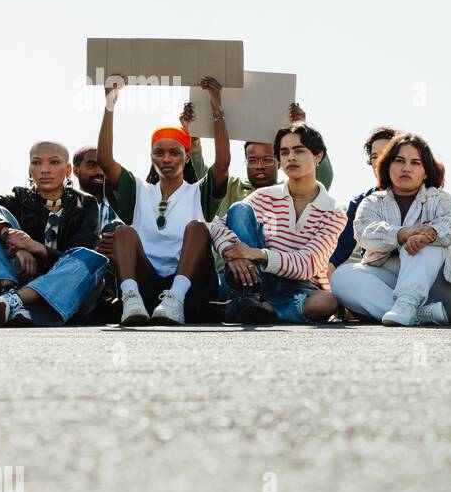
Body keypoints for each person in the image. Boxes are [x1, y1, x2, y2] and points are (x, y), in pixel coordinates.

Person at [98, 76, 230, 326]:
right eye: (159, 152)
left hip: (190, 290)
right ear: (151, 157)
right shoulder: (138, 190)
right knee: (123, 231)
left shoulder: (198, 192)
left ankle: (174, 300)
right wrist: (110, 103)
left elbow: (222, 164)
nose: (167, 159)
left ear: (187, 157)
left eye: (174, 152)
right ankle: (130, 299)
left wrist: (216, 110)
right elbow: (105, 160)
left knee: (198, 228)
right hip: (146, 284)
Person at [210, 123, 344, 324]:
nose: (291, 157)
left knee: (327, 302)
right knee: (238, 209)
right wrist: (233, 253)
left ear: (318, 156)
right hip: (255, 278)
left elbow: (307, 265)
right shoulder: (264, 196)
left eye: (299, 150)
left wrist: (256, 254)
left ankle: (249, 308)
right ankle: (252, 299)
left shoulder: (334, 212)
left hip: (300, 286)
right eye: (284, 152)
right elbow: (218, 226)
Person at [0, 142, 107, 327]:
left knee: (90, 258)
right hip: (22, 278)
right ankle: (7, 294)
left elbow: (76, 258)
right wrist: (10, 238)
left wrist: (35, 247)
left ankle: (12, 301)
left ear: (68, 169)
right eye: (37, 163)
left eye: (54, 162)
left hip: (64, 296)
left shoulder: (85, 204)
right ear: (30, 169)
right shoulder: (19, 197)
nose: (44, 170)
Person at [330, 133, 451, 326]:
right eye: (399, 161)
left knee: (423, 242)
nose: (406, 168)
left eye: (415, 163)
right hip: (402, 290)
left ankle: (408, 304)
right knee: (341, 277)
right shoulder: (372, 202)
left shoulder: (438, 198)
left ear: (426, 171)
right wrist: (402, 234)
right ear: (387, 167)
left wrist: (430, 233)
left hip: (441, 293)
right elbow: (363, 232)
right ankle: (414, 313)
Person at [190, 102, 333, 218]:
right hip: (233, 251)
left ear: (279, 162)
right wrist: (194, 136)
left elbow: (324, 175)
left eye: (267, 160)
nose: (259, 166)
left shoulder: (292, 192)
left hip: (275, 252)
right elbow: (205, 174)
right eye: (252, 160)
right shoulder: (231, 189)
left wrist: (302, 128)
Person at [328, 126, 399, 271]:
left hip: (416, 270)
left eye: (386, 155)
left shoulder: (423, 197)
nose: (379, 162)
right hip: (376, 271)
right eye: (374, 157)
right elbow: (343, 246)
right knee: (345, 274)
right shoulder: (360, 202)